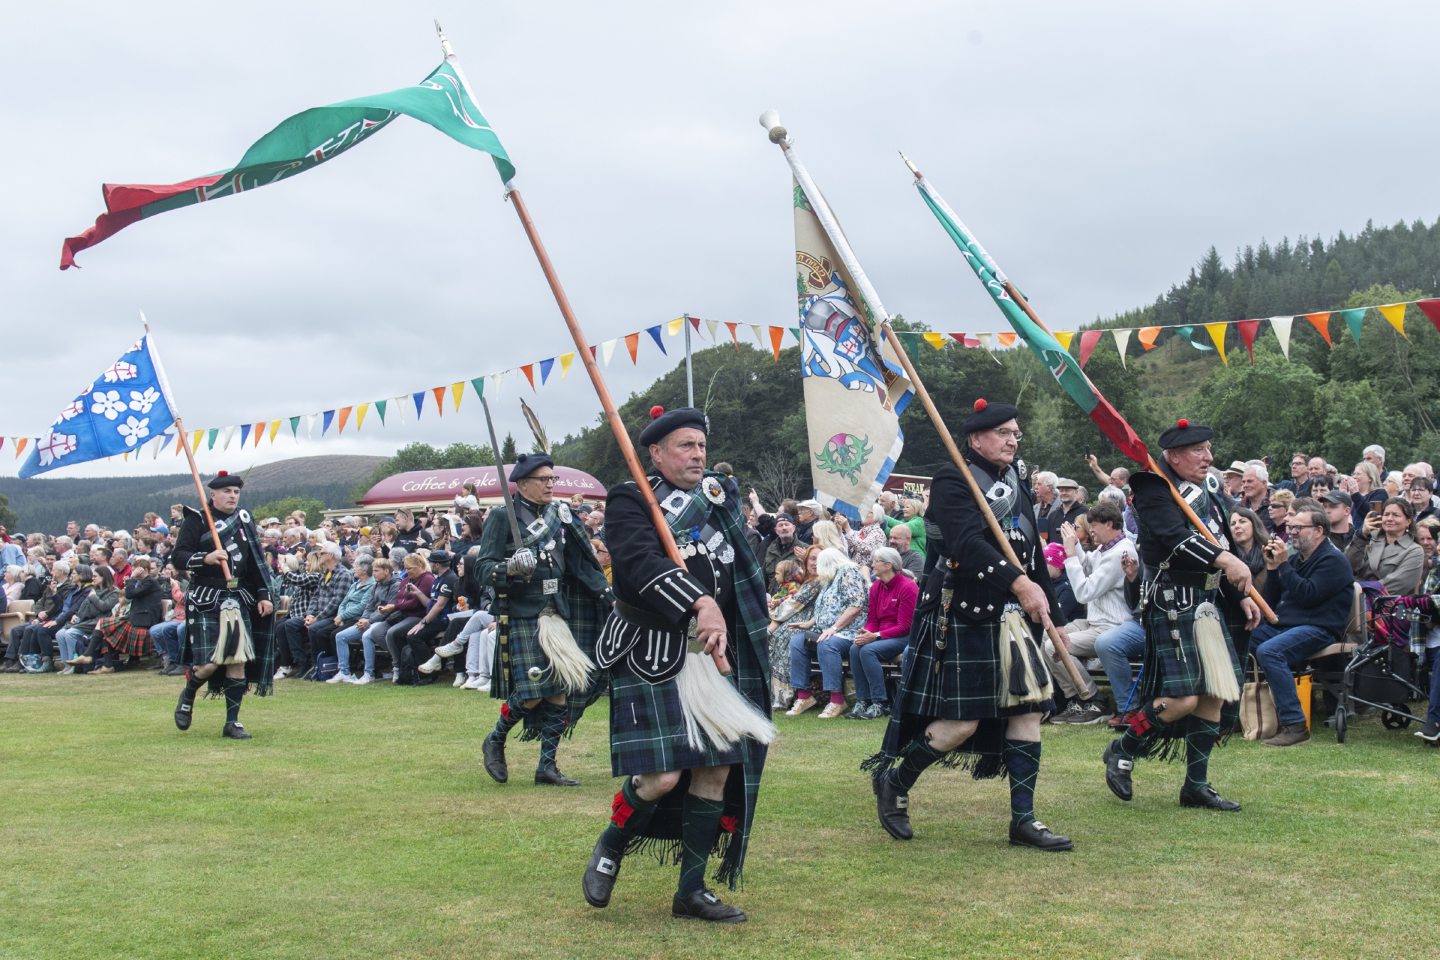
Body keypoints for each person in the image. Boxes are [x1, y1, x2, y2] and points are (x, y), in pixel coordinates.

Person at [581, 407, 773, 923]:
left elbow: (740, 564)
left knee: (715, 768)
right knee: (663, 778)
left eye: (701, 446)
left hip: (709, 655)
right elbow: (641, 562)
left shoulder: (717, 498)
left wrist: (737, 613)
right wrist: (698, 601)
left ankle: (691, 890)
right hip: (652, 650)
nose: (697, 455)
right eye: (685, 446)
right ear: (656, 454)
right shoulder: (630, 499)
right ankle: (614, 838)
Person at [865, 398, 1073, 852]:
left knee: (1028, 710)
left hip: (1016, 617)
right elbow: (966, 544)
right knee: (962, 724)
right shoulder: (953, 479)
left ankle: (1024, 820)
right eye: (1004, 433)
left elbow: (1031, 550)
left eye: (1016, 433)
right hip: (966, 612)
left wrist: (1053, 616)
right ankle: (896, 781)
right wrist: (1018, 584)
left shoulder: (1016, 478)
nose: (1013, 440)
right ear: (977, 438)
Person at [1102, 419, 1258, 812]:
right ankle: (1124, 747)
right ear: (1173, 456)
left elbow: (1218, 538)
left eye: (1208, 448)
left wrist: (1241, 595)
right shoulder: (1151, 486)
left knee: (1213, 694)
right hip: (1172, 598)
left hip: (1209, 598)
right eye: (1198, 450)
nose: (1209, 457)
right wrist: (1225, 560)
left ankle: (1196, 785)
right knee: (1183, 699)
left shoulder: (1208, 488)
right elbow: (1177, 538)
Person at [478, 452, 612, 788]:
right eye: (544, 480)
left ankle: (547, 766)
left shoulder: (560, 514)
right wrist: (509, 567)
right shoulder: (501, 517)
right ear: (523, 484)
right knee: (536, 689)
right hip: (524, 611)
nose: (551, 484)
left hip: (557, 610)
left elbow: (581, 564)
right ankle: (495, 738)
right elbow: (481, 568)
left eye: (553, 479)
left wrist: (608, 595)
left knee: (560, 690)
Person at [170, 472, 277, 740]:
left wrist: (264, 594)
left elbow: (255, 563)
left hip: (238, 597)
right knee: (207, 665)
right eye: (227, 491)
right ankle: (189, 692)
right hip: (206, 597)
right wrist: (205, 558)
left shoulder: (244, 519)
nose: (232, 496)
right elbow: (178, 557)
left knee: (237, 660)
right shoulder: (197, 519)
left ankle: (232, 722)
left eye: (236, 492)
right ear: (213, 495)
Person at [1249, 502, 1356, 747]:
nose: (1292, 532)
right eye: (1291, 527)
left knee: (1270, 651)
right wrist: (1273, 568)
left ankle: (1296, 725)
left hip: (1320, 628)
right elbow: (1272, 602)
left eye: (1299, 528)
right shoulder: (1298, 560)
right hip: (1288, 625)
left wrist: (1284, 565)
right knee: (1239, 640)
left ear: (1318, 531)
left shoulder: (1334, 561)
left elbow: (1308, 595)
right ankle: (1236, 714)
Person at [1047, 502, 1139, 724]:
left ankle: (1092, 699)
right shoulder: (1105, 547)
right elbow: (1088, 565)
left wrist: (1069, 554)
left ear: (1109, 524)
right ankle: (1077, 699)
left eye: (1094, 525)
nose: (1091, 531)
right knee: (1047, 637)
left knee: (1054, 646)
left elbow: (1084, 593)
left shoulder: (1121, 551)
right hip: (1094, 621)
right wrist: (1075, 545)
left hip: (1113, 625)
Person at [785, 547, 868, 719]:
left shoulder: (848, 572)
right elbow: (828, 607)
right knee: (798, 642)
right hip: (828, 630)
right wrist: (809, 623)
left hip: (849, 632)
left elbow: (855, 606)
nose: (816, 567)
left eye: (819, 563)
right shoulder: (830, 578)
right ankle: (804, 696)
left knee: (827, 644)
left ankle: (837, 699)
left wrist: (834, 628)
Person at [847, 546, 917, 719]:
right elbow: (872, 620)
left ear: (888, 565)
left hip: (904, 637)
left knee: (868, 650)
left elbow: (905, 626)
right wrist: (867, 632)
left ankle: (880, 702)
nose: (872, 565)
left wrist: (875, 636)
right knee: (855, 648)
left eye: (876, 561)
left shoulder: (908, 587)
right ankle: (863, 700)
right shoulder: (876, 587)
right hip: (882, 635)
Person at [1346, 497, 1425, 595]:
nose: (1389, 519)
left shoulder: (1414, 550)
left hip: (1388, 605)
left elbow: (1397, 584)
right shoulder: (1369, 538)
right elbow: (1347, 565)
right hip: (1354, 600)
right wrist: (1362, 535)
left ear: (1408, 521)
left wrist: (1355, 588)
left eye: (1396, 515)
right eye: (1386, 514)